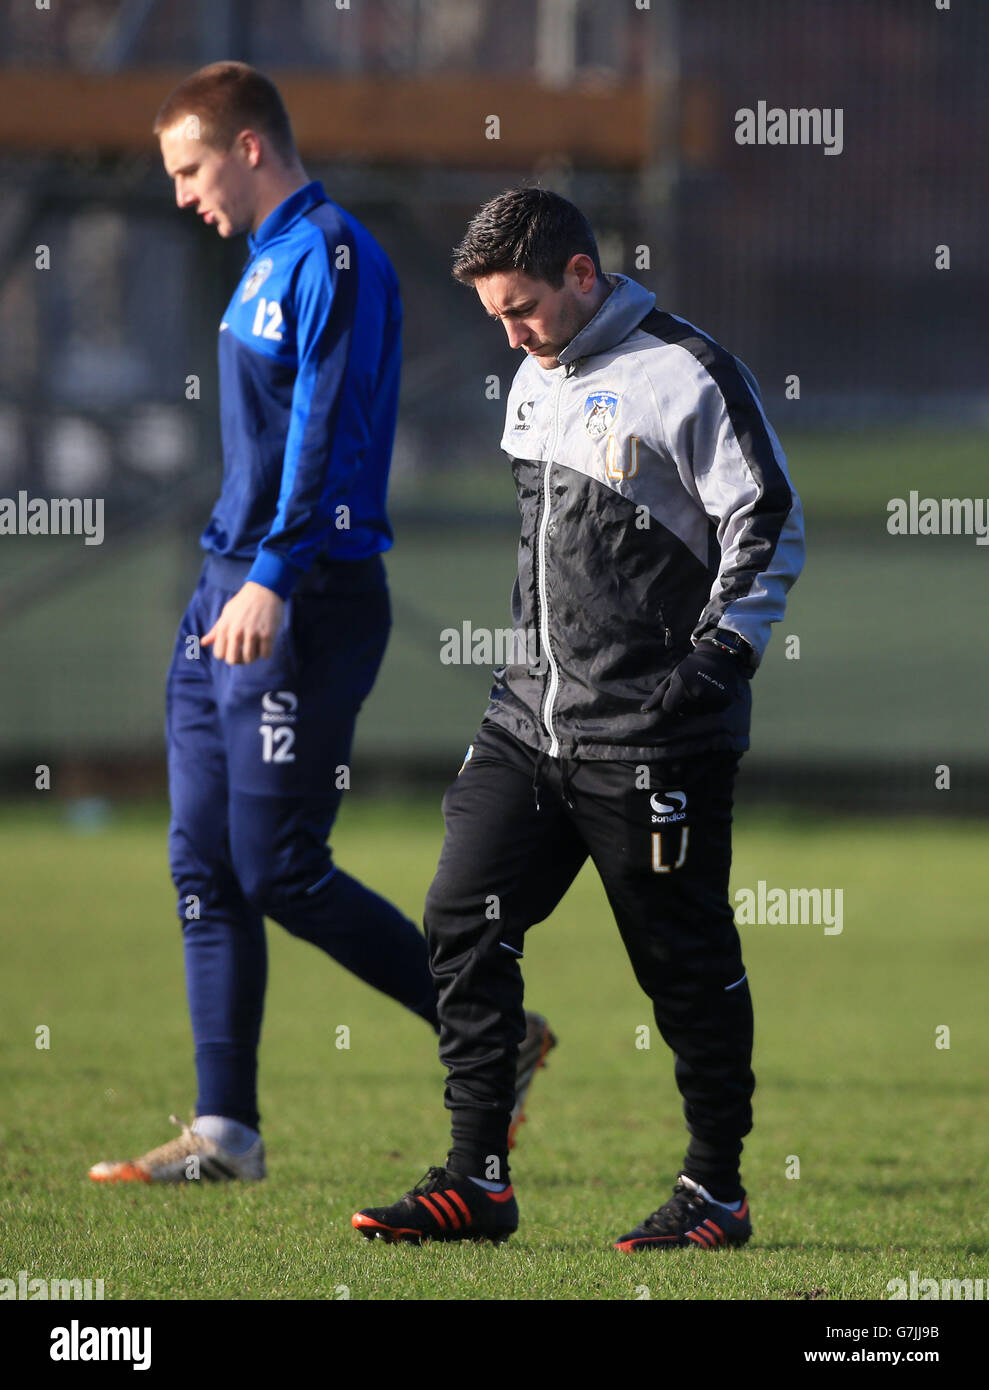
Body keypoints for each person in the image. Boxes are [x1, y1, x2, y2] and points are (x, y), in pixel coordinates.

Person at [89, 67, 553, 1185]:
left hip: (296, 598)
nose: (182, 195)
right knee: (202, 862)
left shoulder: (332, 253)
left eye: (191, 169)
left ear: (251, 147)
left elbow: (327, 431)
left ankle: (496, 1031)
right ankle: (224, 1135)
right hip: (223, 591)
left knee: (279, 864)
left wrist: (275, 575)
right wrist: (230, 581)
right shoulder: (260, 262)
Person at [352, 187, 804, 1248]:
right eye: (495, 317)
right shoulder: (531, 373)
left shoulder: (684, 373)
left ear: (581, 277)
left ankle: (715, 1191)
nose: (510, 334)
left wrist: (716, 658)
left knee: (680, 967)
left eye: (522, 309)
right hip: (526, 727)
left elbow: (768, 514)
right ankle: (477, 1180)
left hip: (653, 737)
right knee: (460, 919)